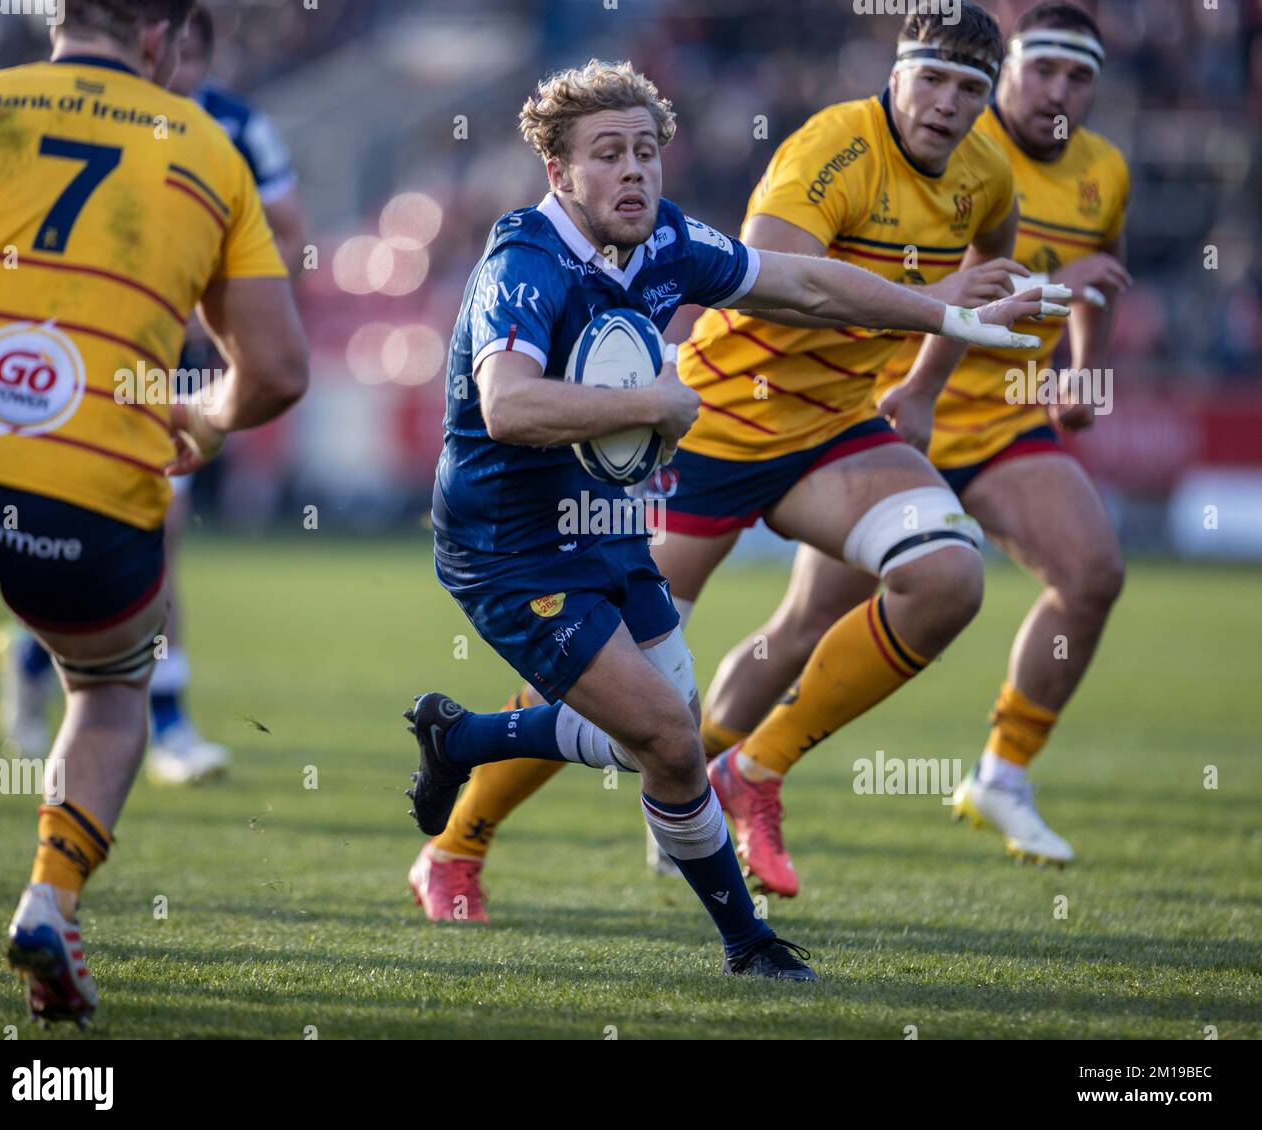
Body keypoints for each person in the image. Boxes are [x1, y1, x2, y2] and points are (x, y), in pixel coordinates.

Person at [403, 55, 1062, 977]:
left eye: (646, 151)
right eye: (608, 155)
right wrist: (654, 404)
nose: (634, 171)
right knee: (672, 739)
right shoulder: (526, 263)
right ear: (559, 172)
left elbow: (805, 285)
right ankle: (749, 946)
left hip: (609, 522)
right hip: (509, 550)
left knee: (659, 742)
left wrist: (939, 315)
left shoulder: (666, 240)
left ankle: (463, 738)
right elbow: (509, 406)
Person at [703, 2, 1130, 869]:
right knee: (803, 625)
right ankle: (695, 781)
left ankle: (1003, 775)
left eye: (1079, 77)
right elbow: (825, 275)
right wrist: (926, 380)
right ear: (1007, 76)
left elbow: (1094, 279)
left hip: (997, 419)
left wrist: (1082, 370)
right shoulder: (934, 139)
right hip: (879, 412)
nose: (1058, 91)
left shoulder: (1101, 171)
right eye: (1043, 70)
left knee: (1092, 573)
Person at [0, 0, 309, 1024]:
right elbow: (277, 369)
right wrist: (203, 418)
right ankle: (50, 896)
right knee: (111, 683)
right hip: (93, 481)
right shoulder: (207, 148)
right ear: (159, 38)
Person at [0, 2, 308, 786]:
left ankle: (161, 715)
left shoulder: (232, 128)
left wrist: (224, 298)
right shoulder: (103, 115)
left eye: (196, 59)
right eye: (178, 54)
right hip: (71, 344)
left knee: (155, 527)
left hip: (176, 361)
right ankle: (47, 661)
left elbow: (290, 232)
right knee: (74, 521)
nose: (181, 72)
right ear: (154, 43)